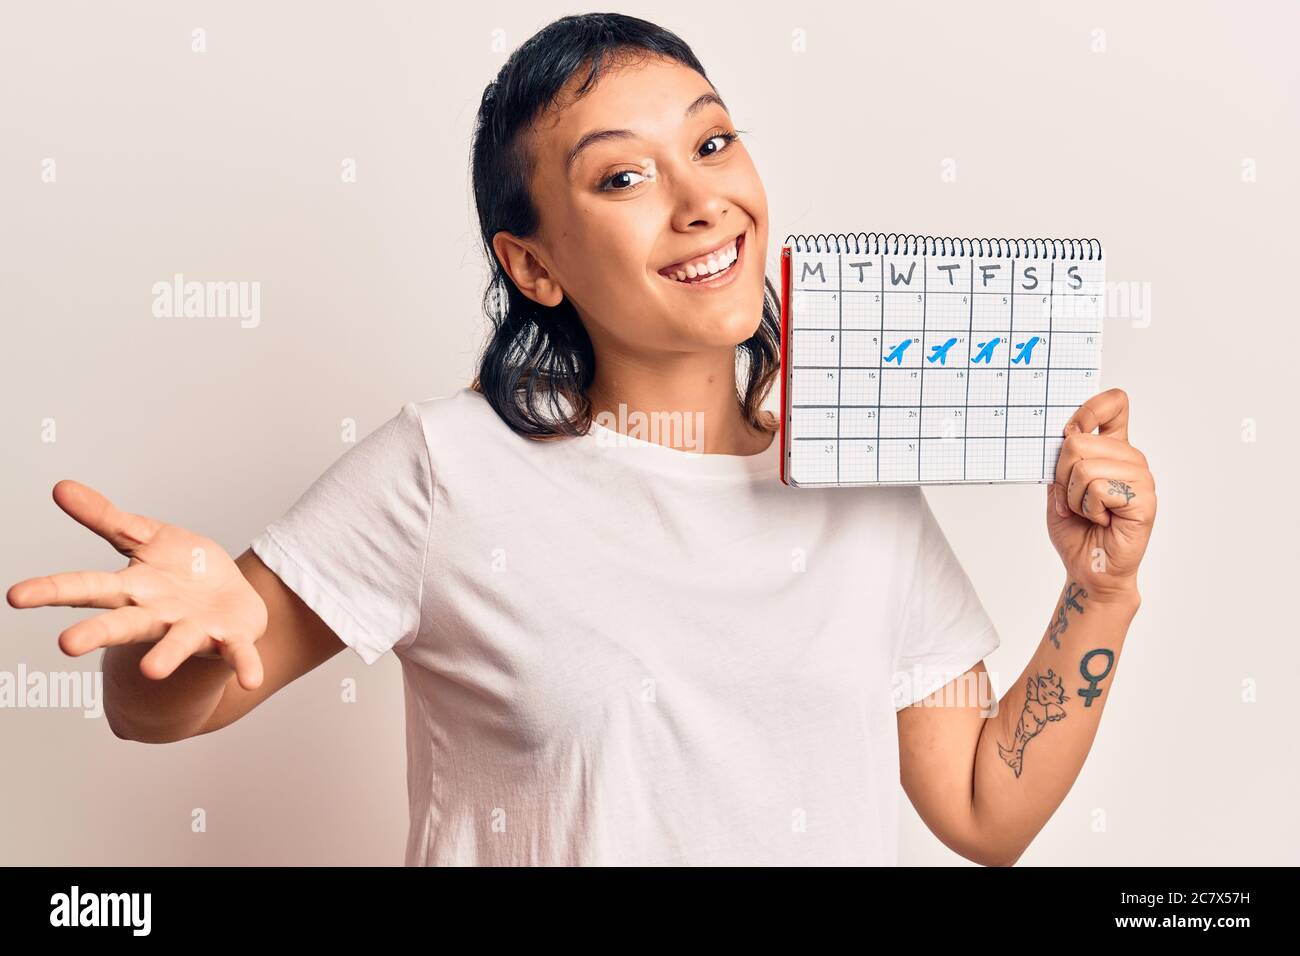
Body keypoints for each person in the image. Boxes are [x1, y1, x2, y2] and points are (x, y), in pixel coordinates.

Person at [6, 13, 1156, 866]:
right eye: (621, 176)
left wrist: (1097, 593)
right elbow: (164, 709)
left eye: (711, 145)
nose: (699, 200)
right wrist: (173, 635)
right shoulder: (444, 471)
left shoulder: (855, 476)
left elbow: (981, 807)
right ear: (534, 264)